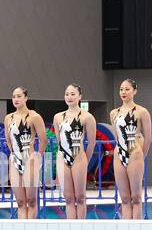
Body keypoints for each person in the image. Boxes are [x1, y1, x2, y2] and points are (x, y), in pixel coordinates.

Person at [53, 84, 97, 220]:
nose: (69, 97)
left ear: (80, 96)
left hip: (79, 157)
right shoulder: (58, 117)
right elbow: (59, 141)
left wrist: (85, 160)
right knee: (68, 198)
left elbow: (91, 142)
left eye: (73, 94)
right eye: (67, 94)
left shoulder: (87, 117)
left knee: (80, 197)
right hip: (62, 158)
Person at [110, 79, 151, 220]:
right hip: (119, 153)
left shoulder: (142, 112)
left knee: (136, 197)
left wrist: (141, 156)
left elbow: (149, 137)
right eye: (121, 89)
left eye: (127, 89)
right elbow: (117, 136)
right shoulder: (114, 113)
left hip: (135, 153)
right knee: (125, 198)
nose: (123, 92)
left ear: (134, 91)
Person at [7, 86, 48, 219]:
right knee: (20, 202)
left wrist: (38, 156)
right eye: (14, 97)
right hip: (15, 160)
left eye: (19, 96)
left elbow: (43, 140)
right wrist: (13, 154)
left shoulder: (34, 116)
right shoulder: (9, 118)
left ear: (26, 98)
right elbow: (9, 140)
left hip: (29, 159)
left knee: (31, 200)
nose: (16, 99)